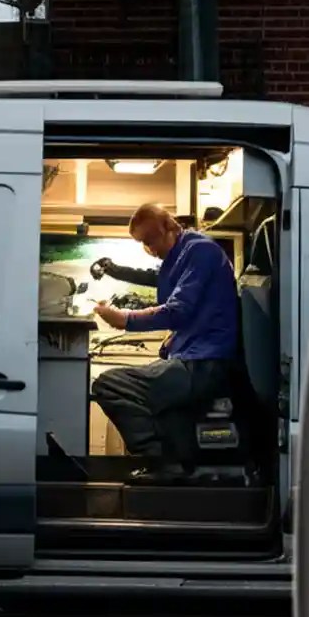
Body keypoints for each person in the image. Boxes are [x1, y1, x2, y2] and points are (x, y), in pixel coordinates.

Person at [89, 203, 239, 483]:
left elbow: (177, 310)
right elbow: (156, 278)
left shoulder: (200, 251)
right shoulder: (182, 254)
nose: (150, 250)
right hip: (194, 358)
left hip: (205, 365)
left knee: (108, 384)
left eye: (149, 241)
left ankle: (160, 463)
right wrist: (115, 270)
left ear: (169, 228)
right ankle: (175, 461)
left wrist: (126, 319)